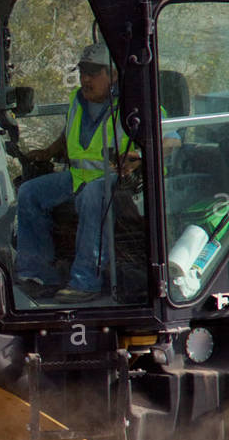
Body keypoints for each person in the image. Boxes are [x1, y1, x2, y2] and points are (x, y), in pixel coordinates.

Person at [14, 43, 144, 304]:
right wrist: (49, 151)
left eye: (94, 73)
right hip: (77, 179)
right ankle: (39, 275)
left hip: (119, 184)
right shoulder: (77, 99)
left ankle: (86, 281)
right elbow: (69, 135)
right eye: (83, 71)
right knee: (30, 192)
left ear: (114, 74)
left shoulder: (134, 103)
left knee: (92, 196)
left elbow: (171, 139)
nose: (86, 79)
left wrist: (138, 160)